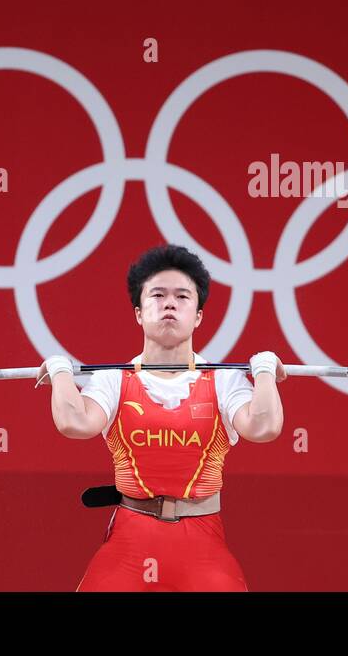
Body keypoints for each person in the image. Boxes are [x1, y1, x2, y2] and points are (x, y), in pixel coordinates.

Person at [36, 243, 285, 591]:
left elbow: (264, 427)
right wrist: (60, 371)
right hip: (129, 541)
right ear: (139, 312)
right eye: (157, 295)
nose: (169, 303)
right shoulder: (112, 379)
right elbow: (74, 424)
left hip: (203, 544)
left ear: (198, 315)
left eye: (183, 297)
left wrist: (264, 374)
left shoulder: (224, 380)